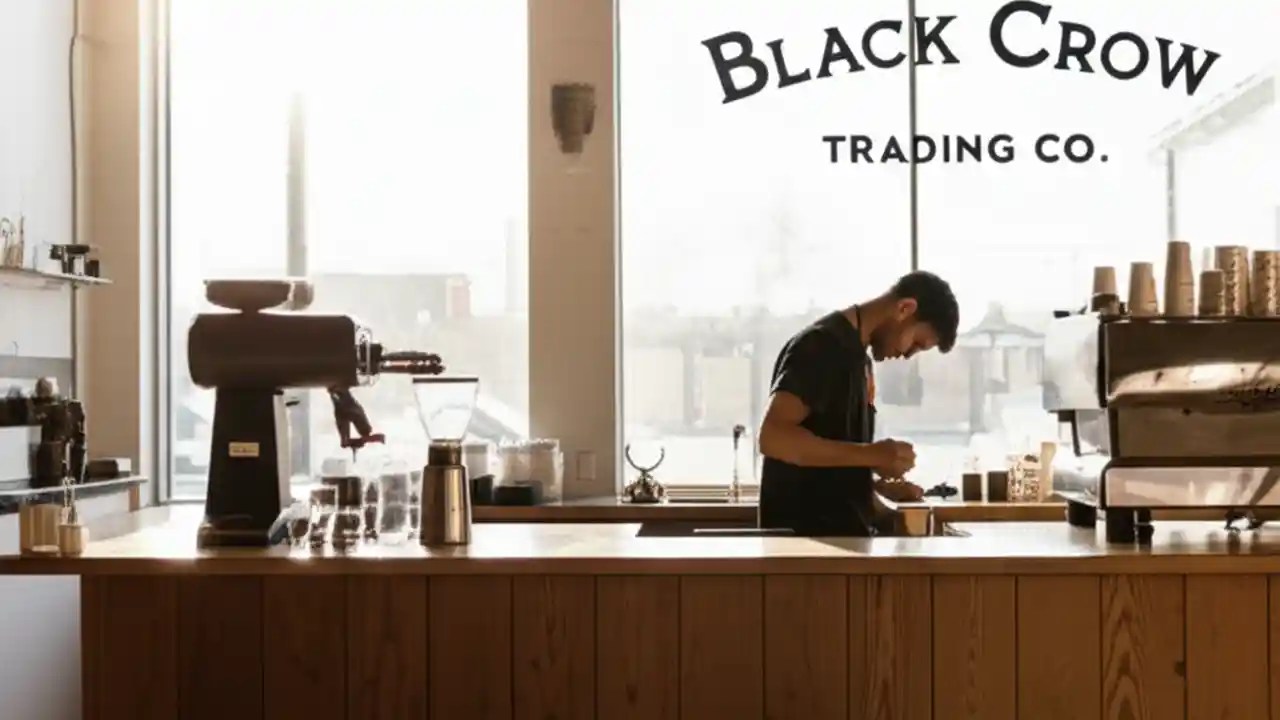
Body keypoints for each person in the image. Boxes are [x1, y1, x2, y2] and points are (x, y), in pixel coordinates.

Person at [757, 270, 960, 536]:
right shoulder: (820, 346)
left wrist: (877, 494)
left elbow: (830, 468)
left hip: (842, 549)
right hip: (804, 553)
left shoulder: (860, 362)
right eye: (917, 343)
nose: (909, 355)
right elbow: (773, 437)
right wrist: (872, 455)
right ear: (904, 308)